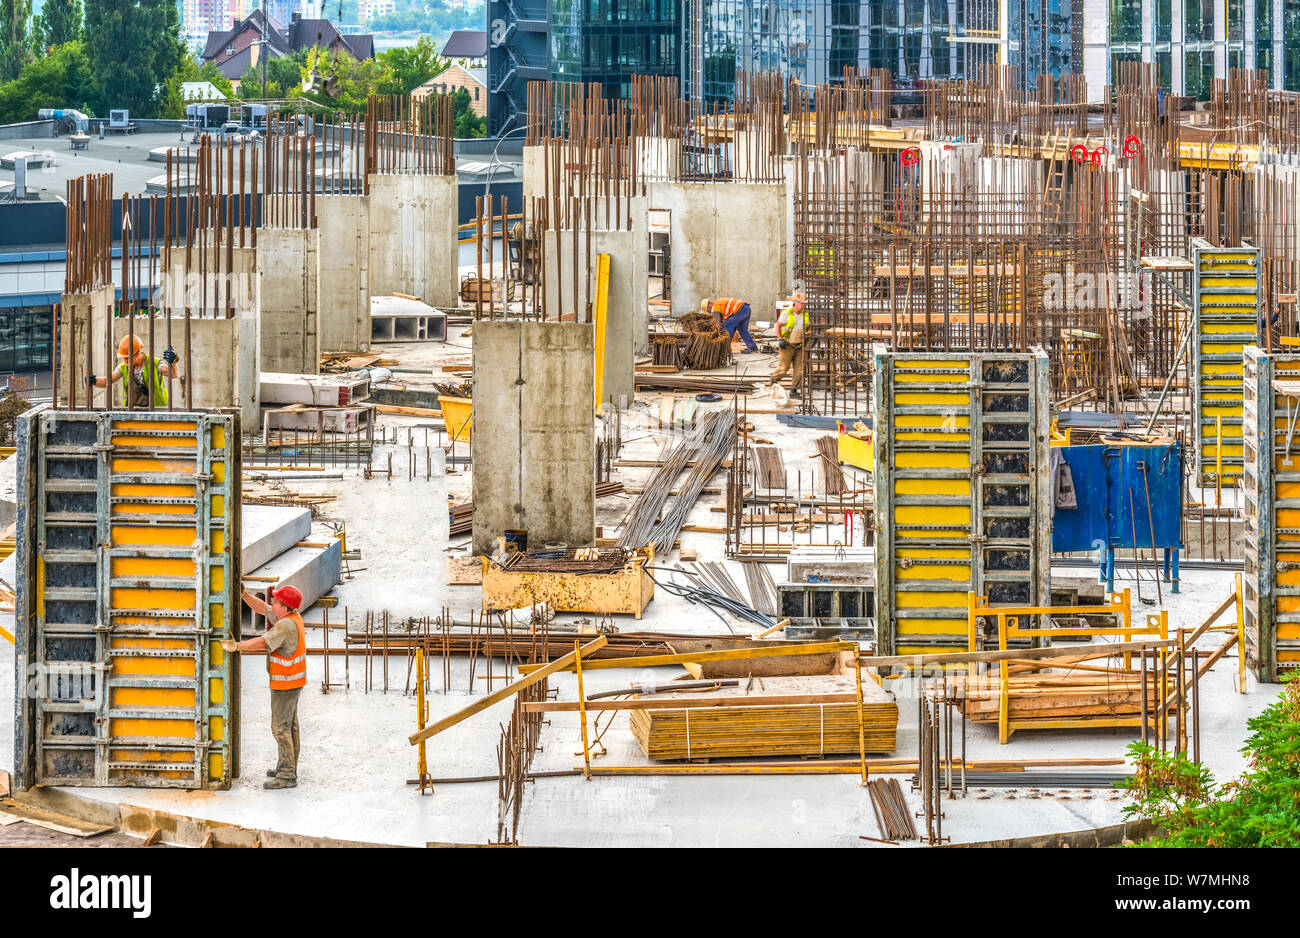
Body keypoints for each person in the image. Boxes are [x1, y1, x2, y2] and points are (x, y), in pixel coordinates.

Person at [222, 585, 307, 790]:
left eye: (276, 601)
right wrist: (244, 595)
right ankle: (287, 766)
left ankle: (287, 775)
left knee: (280, 728)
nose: (272, 603)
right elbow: (262, 608)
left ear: (285, 608)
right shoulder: (291, 617)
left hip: (286, 683)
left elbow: (262, 642)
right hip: (292, 682)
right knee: (290, 726)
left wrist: (237, 646)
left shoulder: (285, 626)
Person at [86, 335, 180, 408]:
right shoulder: (124, 367)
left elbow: (173, 374)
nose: (125, 361)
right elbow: (107, 381)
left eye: (128, 358)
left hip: (156, 410)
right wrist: (94, 380)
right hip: (134, 411)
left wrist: (174, 360)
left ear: (138, 353)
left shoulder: (154, 364)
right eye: (124, 358)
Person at [770, 293, 808, 398]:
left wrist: (809, 337)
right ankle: (773, 379)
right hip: (787, 345)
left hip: (800, 346)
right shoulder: (787, 313)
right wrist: (780, 338)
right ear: (795, 304)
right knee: (784, 368)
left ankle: (794, 390)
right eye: (801, 303)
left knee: (800, 370)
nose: (803, 306)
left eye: (804, 304)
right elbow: (778, 326)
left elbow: (807, 328)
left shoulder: (805, 315)